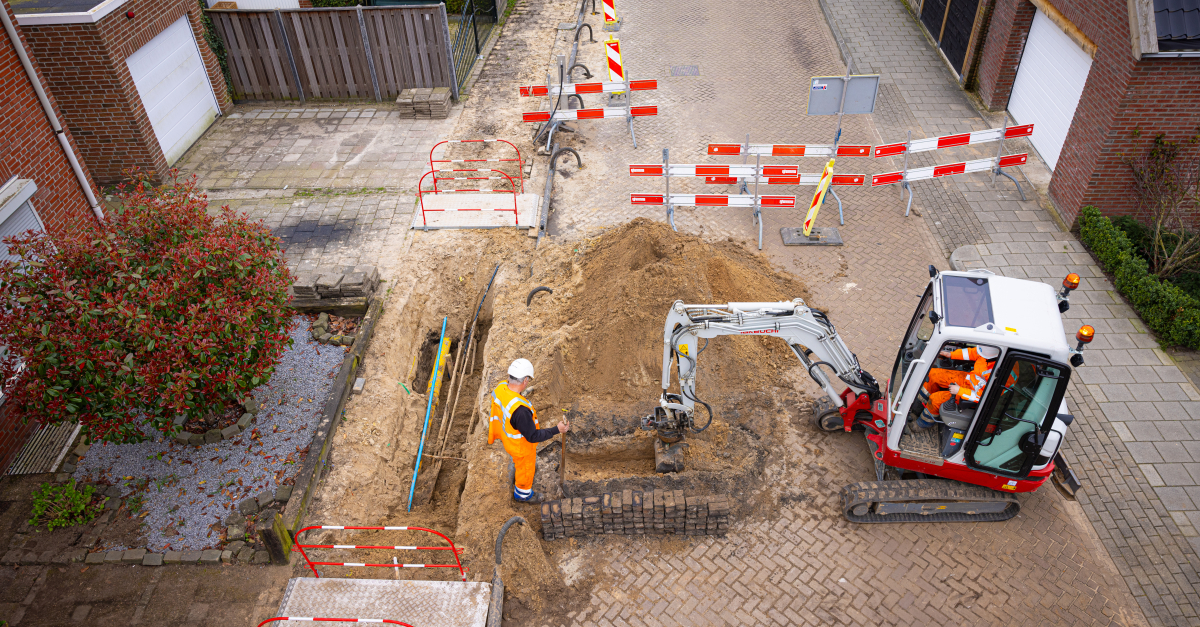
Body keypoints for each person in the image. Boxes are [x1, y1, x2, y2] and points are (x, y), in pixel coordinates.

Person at [487, 358, 569, 503]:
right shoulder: (520, 411)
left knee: (520, 463)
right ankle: (523, 494)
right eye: (528, 380)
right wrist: (557, 429)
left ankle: (519, 474)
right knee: (526, 470)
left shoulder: (501, 387)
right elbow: (533, 436)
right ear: (525, 380)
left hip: (507, 438)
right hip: (521, 448)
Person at [917, 345, 1001, 428]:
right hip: (970, 379)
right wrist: (951, 354)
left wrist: (959, 390)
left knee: (935, 399)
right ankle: (921, 405)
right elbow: (972, 352)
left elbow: (983, 396)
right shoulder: (988, 351)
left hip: (972, 394)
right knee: (933, 374)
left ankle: (923, 423)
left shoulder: (998, 374)